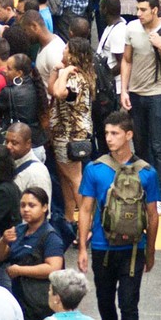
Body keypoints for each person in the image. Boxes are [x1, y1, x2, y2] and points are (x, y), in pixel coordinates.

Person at [77, 111, 161, 320]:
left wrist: (150, 250)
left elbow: (152, 215)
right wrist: (83, 248)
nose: (109, 138)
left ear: (129, 135)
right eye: (107, 133)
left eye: (115, 133)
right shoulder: (94, 169)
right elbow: (86, 209)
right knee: (104, 300)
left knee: (129, 303)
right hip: (102, 248)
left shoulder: (148, 173)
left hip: (133, 249)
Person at [119, 0, 161, 193]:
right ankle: (143, 185)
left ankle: (160, 189)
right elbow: (127, 60)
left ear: (155, 10)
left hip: (157, 93)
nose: (138, 14)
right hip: (136, 93)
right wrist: (124, 90)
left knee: (158, 144)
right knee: (139, 144)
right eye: (137, 9)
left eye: (143, 10)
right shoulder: (131, 29)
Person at [0, 187, 64, 320]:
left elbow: (53, 268)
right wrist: (3, 241)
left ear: (44, 207)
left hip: (40, 303)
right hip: (20, 300)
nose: (26, 209)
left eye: (32, 205)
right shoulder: (18, 231)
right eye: (23, 205)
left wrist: (20, 270)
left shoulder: (50, 236)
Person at [49, 37, 96, 225]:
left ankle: (88, 224)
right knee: (66, 178)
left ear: (73, 54)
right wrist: (56, 71)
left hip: (70, 135)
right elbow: (53, 89)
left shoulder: (74, 76)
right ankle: (69, 219)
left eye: (66, 48)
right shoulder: (78, 75)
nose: (63, 51)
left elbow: (60, 93)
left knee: (75, 179)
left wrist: (64, 72)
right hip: (65, 135)